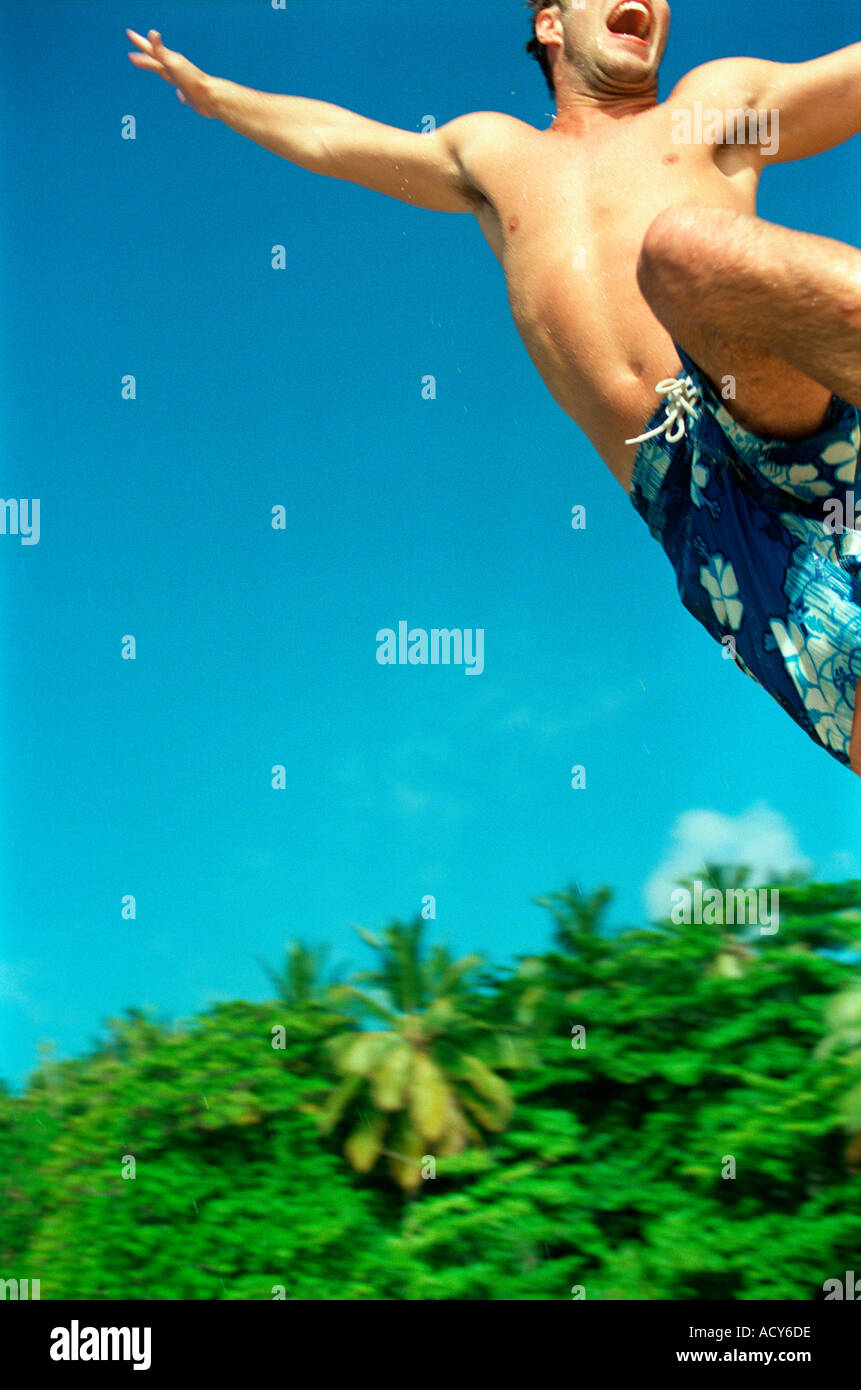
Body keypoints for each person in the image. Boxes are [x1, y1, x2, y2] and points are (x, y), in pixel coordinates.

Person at [127, 3, 861, 774]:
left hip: (772, 414)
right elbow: (335, 141)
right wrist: (215, 95)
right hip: (695, 521)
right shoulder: (494, 155)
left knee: (683, 253)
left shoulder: (709, 110)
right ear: (550, 23)